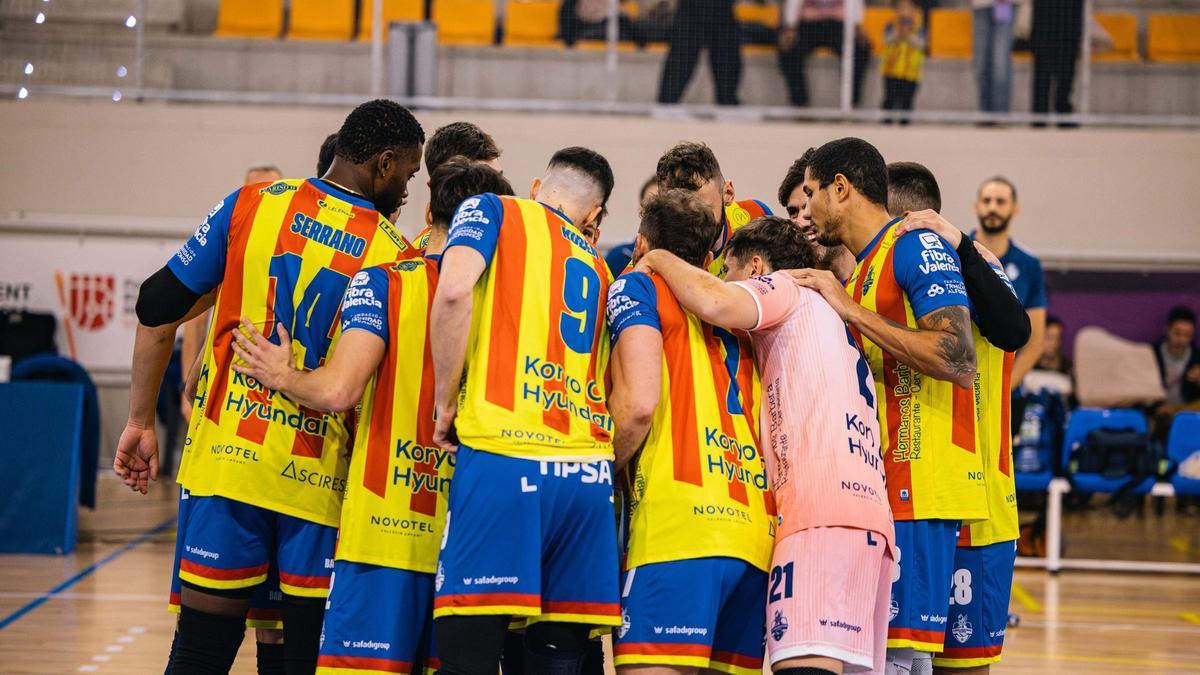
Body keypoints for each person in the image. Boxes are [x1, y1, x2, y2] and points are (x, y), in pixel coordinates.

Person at [115, 99, 423, 674]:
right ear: (383, 163)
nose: (407, 188)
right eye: (407, 171)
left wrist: (138, 421)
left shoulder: (251, 205)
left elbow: (155, 306)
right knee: (298, 662)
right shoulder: (395, 256)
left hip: (229, 465)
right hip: (319, 485)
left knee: (200, 652)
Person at [228, 159, 514, 675]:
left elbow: (338, 390)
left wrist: (283, 375)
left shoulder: (384, 282)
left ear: (429, 211)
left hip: (383, 535)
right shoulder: (509, 303)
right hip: (470, 541)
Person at [634, 215, 895, 674]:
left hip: (821, 514)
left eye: (729, 271)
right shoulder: (834, 319)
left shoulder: (786, 290)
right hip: (869, 519)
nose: (725, 282)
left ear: (755, 267)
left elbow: (712, 302)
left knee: (802, 667)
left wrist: (655, 257)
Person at [791, 137, 987, 675]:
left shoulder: (913, 246)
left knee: (894, 656)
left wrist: (849, 310)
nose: (806, 211)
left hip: (921, 484)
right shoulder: (869, 262)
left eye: (810, 195)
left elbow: (957, 357)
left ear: (841, 188)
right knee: (890, 654)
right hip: (887, 483)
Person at [429, 147, 618, 674]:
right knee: (554, 660)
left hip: (504, 453)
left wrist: (446, 400)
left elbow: (452, 292)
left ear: (537, 186)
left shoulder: (493, 209)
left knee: (468, 652)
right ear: (594, 216)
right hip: (586, 472)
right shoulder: (600, 266)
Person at [605, 190, 773, 673]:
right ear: (709, 256)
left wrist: (600, 469)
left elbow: (638, 406)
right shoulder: (740, 314)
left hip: (677, 531)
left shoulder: (638, 286)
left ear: (642, 243)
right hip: (755, 537)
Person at [885, 165, 1025, 674]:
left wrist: (963, 247)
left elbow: (1015, 329)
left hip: (979, 509)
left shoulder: (970, 265)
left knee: (961, 667)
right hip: (920, 501)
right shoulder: (889, 272)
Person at [655, 141, 772, 277]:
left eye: (703, 212)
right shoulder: (655, 242)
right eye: (677, 215)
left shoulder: (756, 216)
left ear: (728, 193)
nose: (691, 225)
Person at [972, 176, 1046, 390]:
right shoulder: (956, 252)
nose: (992, 207)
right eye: (986, 200)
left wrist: (1002, 389)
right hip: (961, 385)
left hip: (1006, 389)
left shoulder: (1029, 264)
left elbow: (1035, 343)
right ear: (977, 206)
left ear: (1015, 209)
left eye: (1000, 201)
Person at [411, 121, 504, 250]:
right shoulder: (425, 256)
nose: (499, 194)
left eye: (499, 178)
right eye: (484, 184)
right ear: (440, 188)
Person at [778, 148, 856, 282]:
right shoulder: (788, 288)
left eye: (809, 204)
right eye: (793, 212)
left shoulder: (885, 264)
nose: (801, 222)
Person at [778, 0, 871, 108]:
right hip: (808, 25)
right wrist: (790, 26)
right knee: (789, 49)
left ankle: (851, 104)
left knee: (860, 49)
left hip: (840, 26)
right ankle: (800, 104)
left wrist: (856, 25)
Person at [656, 0, 741, 106]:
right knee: (671, 88)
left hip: (721, 10)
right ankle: (665, 107)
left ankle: (729, 107)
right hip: (690, 11)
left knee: (727, 88)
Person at [1031, 0, 1083, 121]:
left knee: (1067, 65)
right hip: (1044, 14)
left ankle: (1063, 113)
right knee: (1042, 66)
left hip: (1069, 14)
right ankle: (1039, 115)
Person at [880, 0, 926, 124]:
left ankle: (905, 125)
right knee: (889, 99)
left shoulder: (919, 27)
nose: (905, 10)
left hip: (911, 72)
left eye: (908, 7)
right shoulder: (891, 25)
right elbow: (886, 40)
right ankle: (886, 123)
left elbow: (921, 44)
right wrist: (899, 32)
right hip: (891, 70)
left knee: (907, 100)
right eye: (901, 7)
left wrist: (908, 34)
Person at [604, 175, 658, 277]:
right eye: (651, 204)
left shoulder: (684, 262)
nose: (657, 211)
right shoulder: (619, 257)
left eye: (663, 203)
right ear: (641, 209)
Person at [972, 0, 1018, 115]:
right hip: (981, 6)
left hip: (1004, 5)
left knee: (1000, 61)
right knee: (981, 62)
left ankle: (1001, 113)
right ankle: (984, 112)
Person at [1156, 306, 1200, 410]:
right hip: (1158, 413)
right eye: (1177, 333)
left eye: (1187, 335)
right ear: (1167, 330)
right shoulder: (1153, 354)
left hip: (1188, 411)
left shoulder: (1197, 357)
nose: (1182, 339)